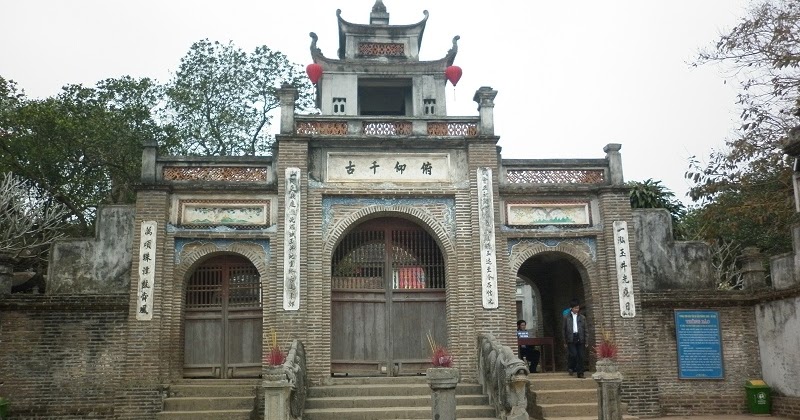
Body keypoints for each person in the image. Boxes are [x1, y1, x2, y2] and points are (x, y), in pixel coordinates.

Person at [562, 299, 588, 378]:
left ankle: (580, 373)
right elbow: (564, 329)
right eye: (575, 308)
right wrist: (565, 341)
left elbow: (585, 329)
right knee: (574, 354)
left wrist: (586, 340)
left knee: (581, 356)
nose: (577, 309)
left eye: (578, 308)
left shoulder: (582, 317)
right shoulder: (566, 318)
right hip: (571, 338)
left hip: (580, 337)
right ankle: (571, 367)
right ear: (571, 308)